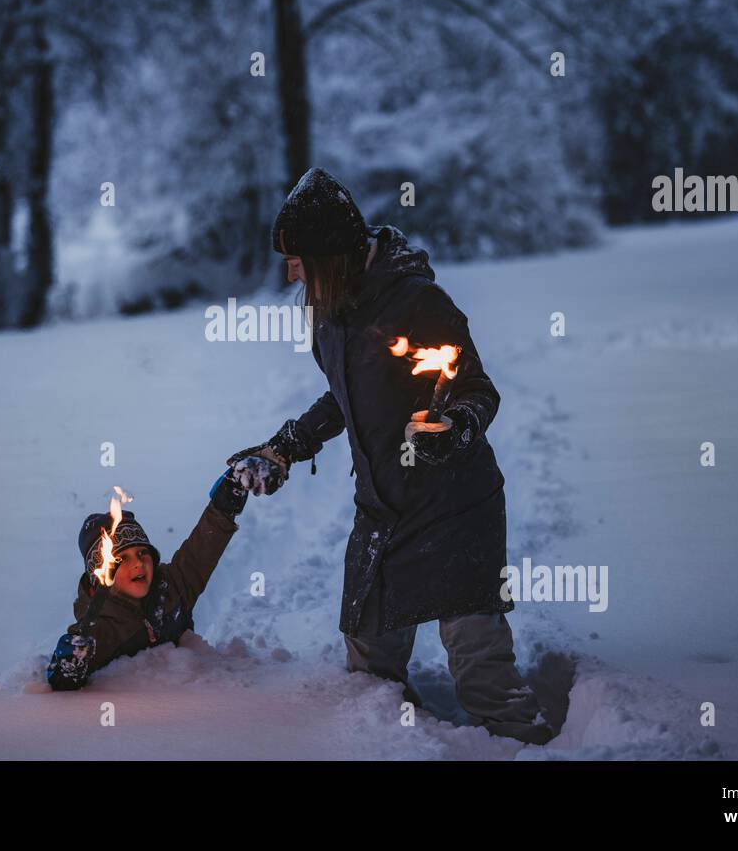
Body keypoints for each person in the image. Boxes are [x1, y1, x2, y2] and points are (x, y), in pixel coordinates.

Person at [229, 166, 555, 744]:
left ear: (332, 256)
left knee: (481, 674)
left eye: (298, 259)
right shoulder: (329, 313)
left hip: (454, 509)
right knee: (369, 673)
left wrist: (452, 428)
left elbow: (478, 390)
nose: (290, 273)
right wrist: (285, 446)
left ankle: (528, 749)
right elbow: (345, 396)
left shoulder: (416, 302)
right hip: (381, 511)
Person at [45, 469, 251, 690]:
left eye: (143, 553)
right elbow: (65, 678)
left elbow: (202, 548)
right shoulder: (100, 629)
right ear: (101, 574)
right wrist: (67, 668)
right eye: (122, 558)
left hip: (193, 696)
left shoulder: (173, 586)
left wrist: (224, 505)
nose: (138, 563)